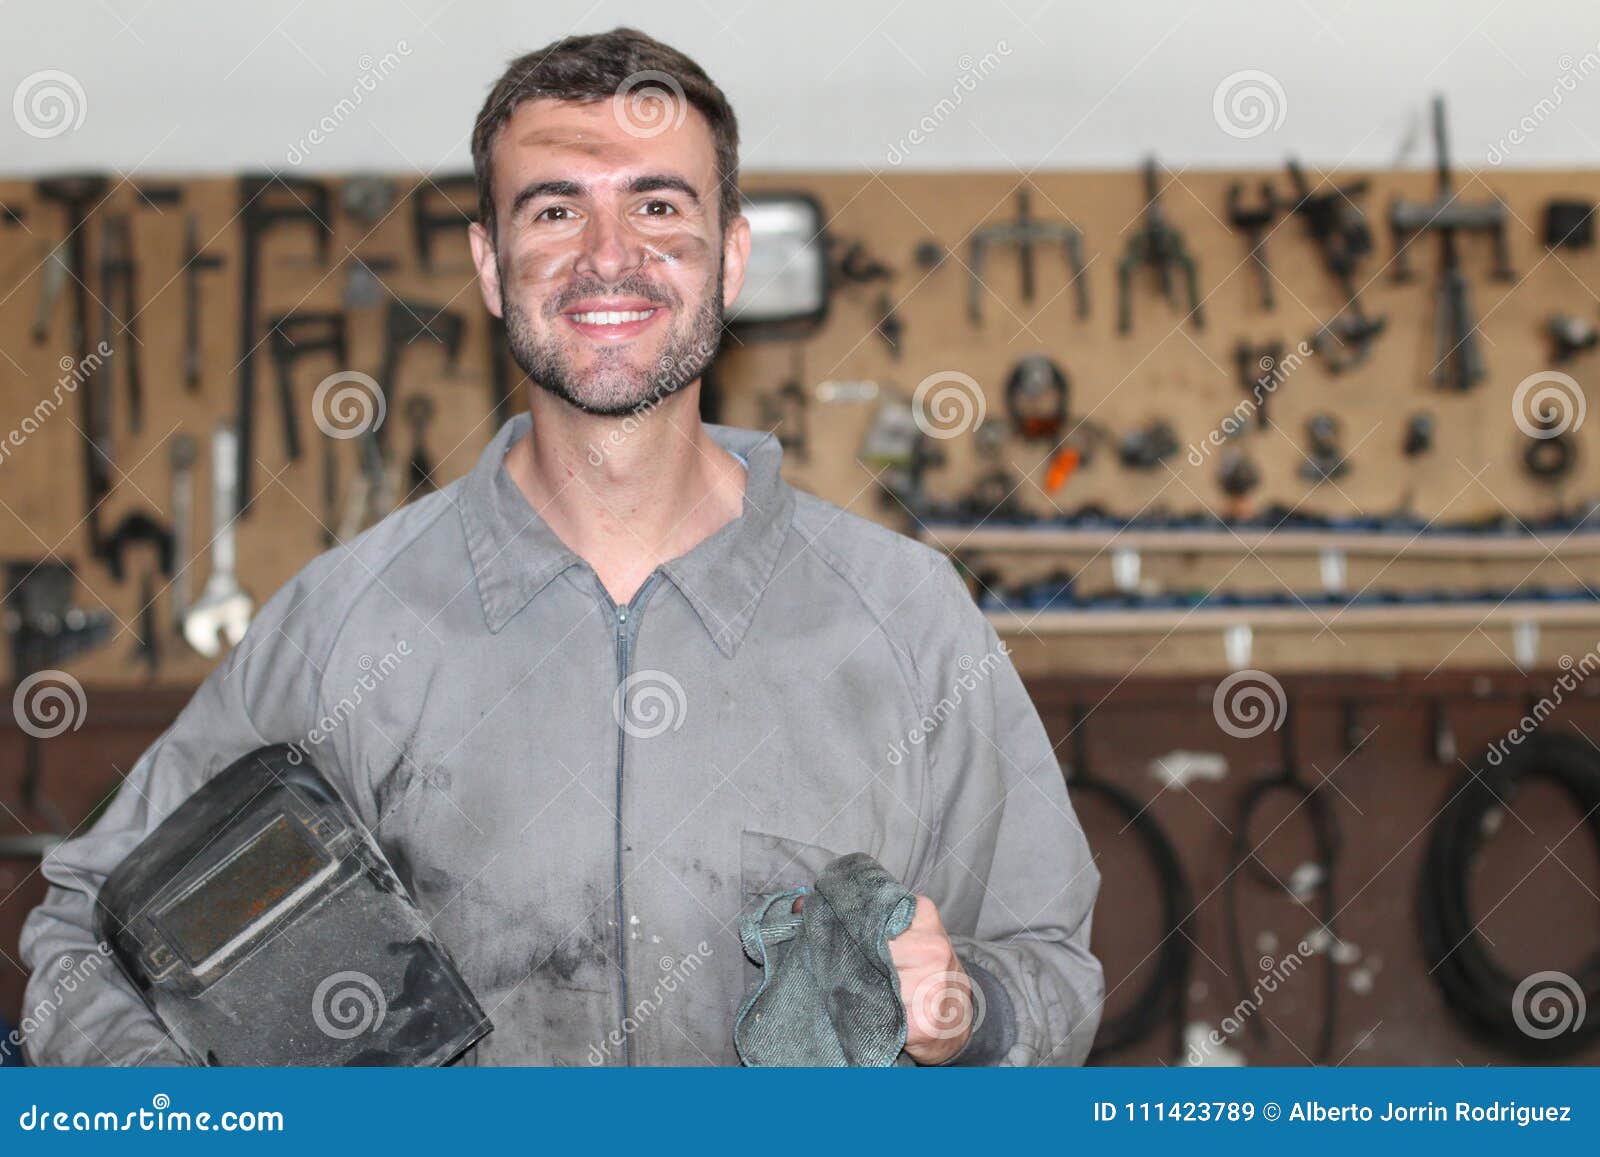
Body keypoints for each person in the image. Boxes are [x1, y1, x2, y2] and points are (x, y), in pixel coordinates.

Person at [19, 26, 1102, 1067]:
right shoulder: (348, 620)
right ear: (492, 266)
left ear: (728, 258)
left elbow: (1052, 966)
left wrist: (965, 1012)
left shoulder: (905, 614)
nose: (609, 257)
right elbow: (83, 944)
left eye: (658, 205)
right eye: (554, 211)